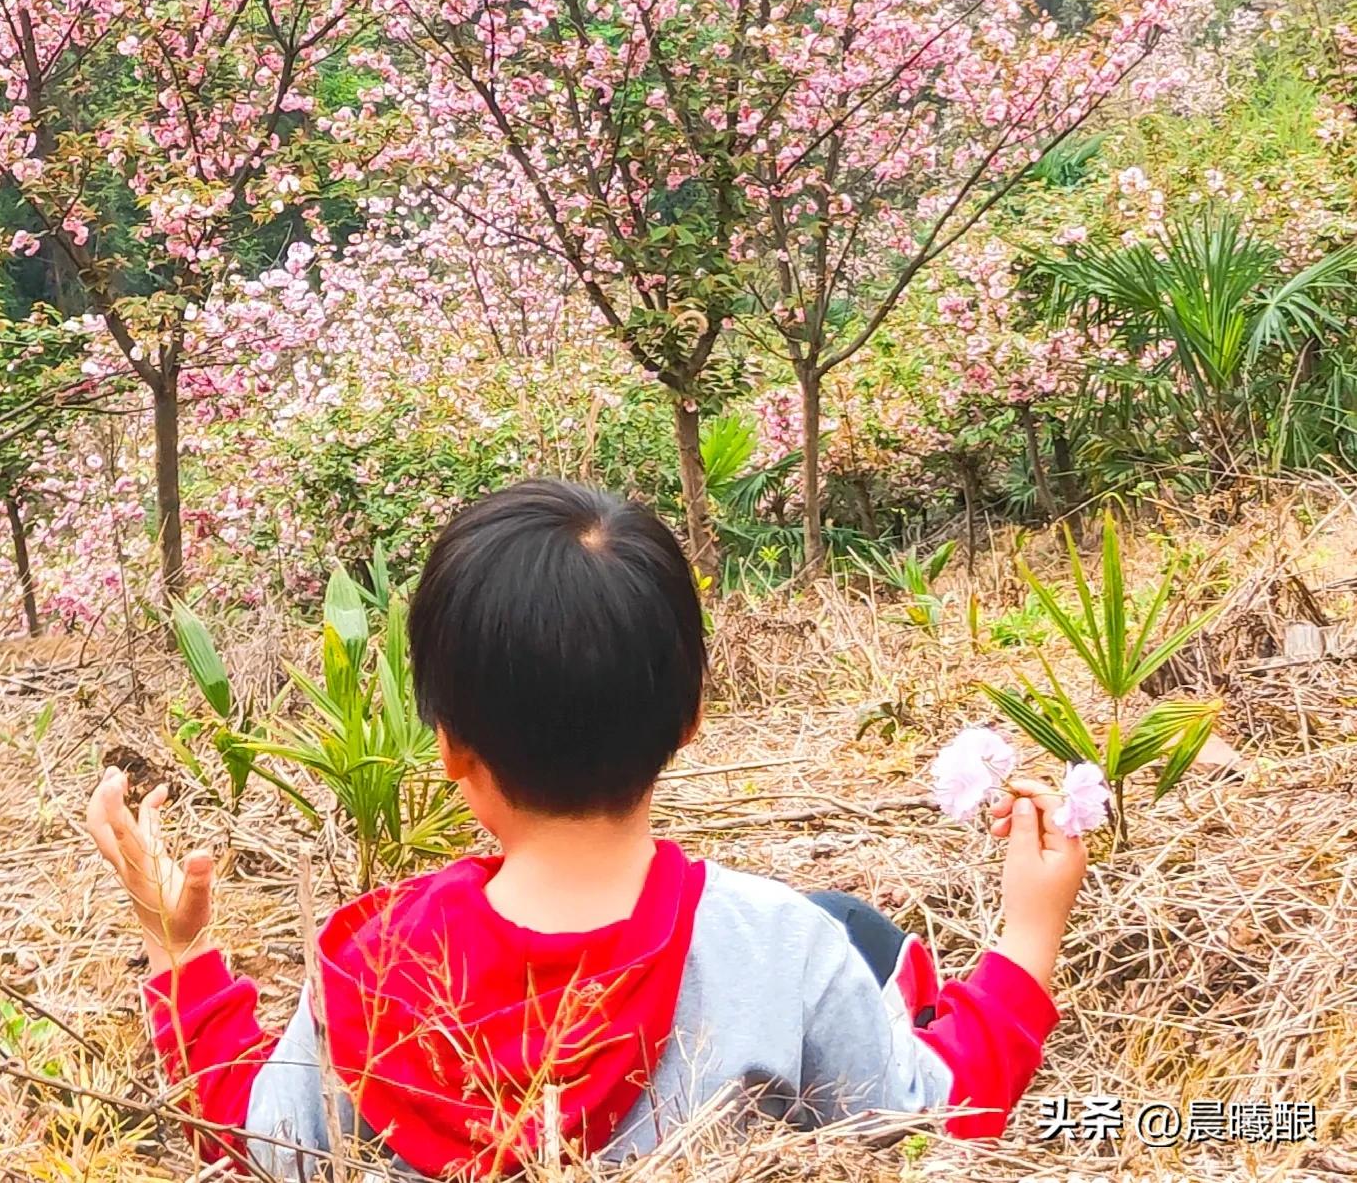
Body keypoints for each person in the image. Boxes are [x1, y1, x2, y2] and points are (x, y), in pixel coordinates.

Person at [87, 480, 1085, 1177]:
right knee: (867, 941)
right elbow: (937, 1123)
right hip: (816, 968)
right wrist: (1030, 936)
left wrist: (182, 954)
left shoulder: (373, 967)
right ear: (690, 720)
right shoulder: (782, 954)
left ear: (451, 748)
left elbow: (253, 1138)